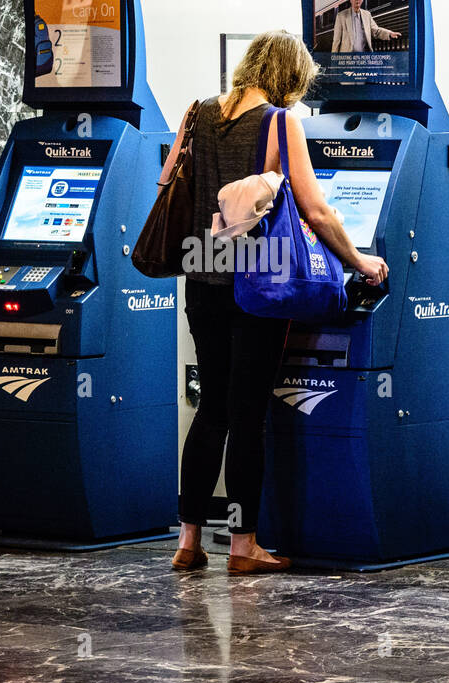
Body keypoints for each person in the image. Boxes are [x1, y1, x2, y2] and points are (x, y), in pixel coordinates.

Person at [166, 30, 388, 575]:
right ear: (290, 77)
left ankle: (188, 541)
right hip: (257, 284)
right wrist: (360, 262)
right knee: (246, 415)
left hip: (203, 275)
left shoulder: (196, 112)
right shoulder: (279, 121)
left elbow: (166, 181)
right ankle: (244, 547)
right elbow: (316, 211)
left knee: (211, 408)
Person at [330, 0, 400, 53]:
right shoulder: (341, 16)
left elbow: (376, 31)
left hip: (363, 57)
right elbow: (336, 41)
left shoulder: (367, 15)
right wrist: (334, 61)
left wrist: (390, 34)